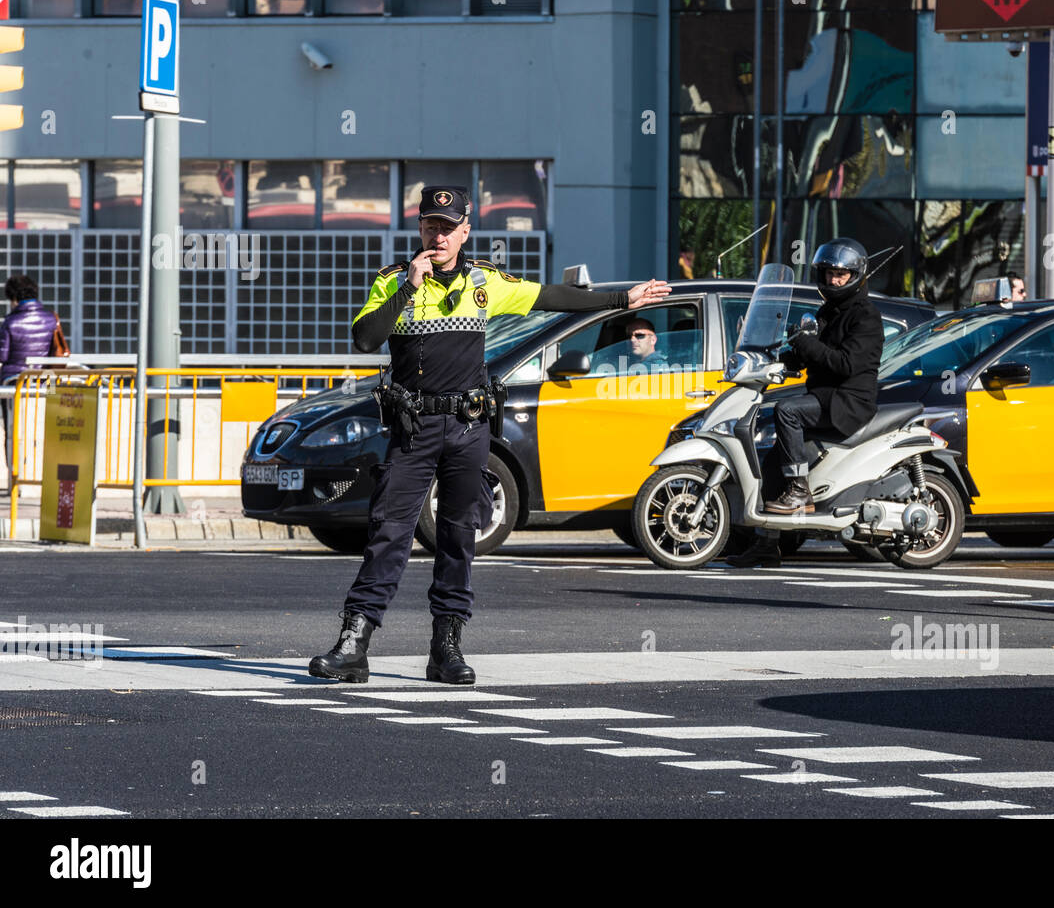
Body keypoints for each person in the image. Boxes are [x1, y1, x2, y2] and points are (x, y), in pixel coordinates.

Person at [309, 187, 671, 684]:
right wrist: (406, 291)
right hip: (414, 428)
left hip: (468, 426)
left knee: (459, 536)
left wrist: (620, 299)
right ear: (418, 228)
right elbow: (366, 338)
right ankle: (354, 643)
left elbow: (549, 297)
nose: (437, 235)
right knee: (389, 534)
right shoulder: (393, 281)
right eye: (429, 225)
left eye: (447, 226)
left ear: (465, 231)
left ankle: (447, 647)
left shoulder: (485, 282)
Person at [726, 238, 884, 568]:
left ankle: (800, 491)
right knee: (770, 461)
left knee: (788, 411)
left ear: (856, 275)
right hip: (825, 397)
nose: (833, 281)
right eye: (827, 274)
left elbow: (844, 365)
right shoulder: (828, 311)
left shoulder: (865, 317)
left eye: (840, 274)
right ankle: (767, 543)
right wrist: (775, 359)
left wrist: (807, 345)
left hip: (848, 402)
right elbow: (808, 353)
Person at [1, 276, 59, 490]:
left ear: (14, 298)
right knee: (39, 429)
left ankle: (16, 479)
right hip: (44, 384)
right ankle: (39, 478)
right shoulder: (51, 319)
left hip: (13, 383)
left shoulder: (11, 322)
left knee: (11, 429)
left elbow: (3, 355)